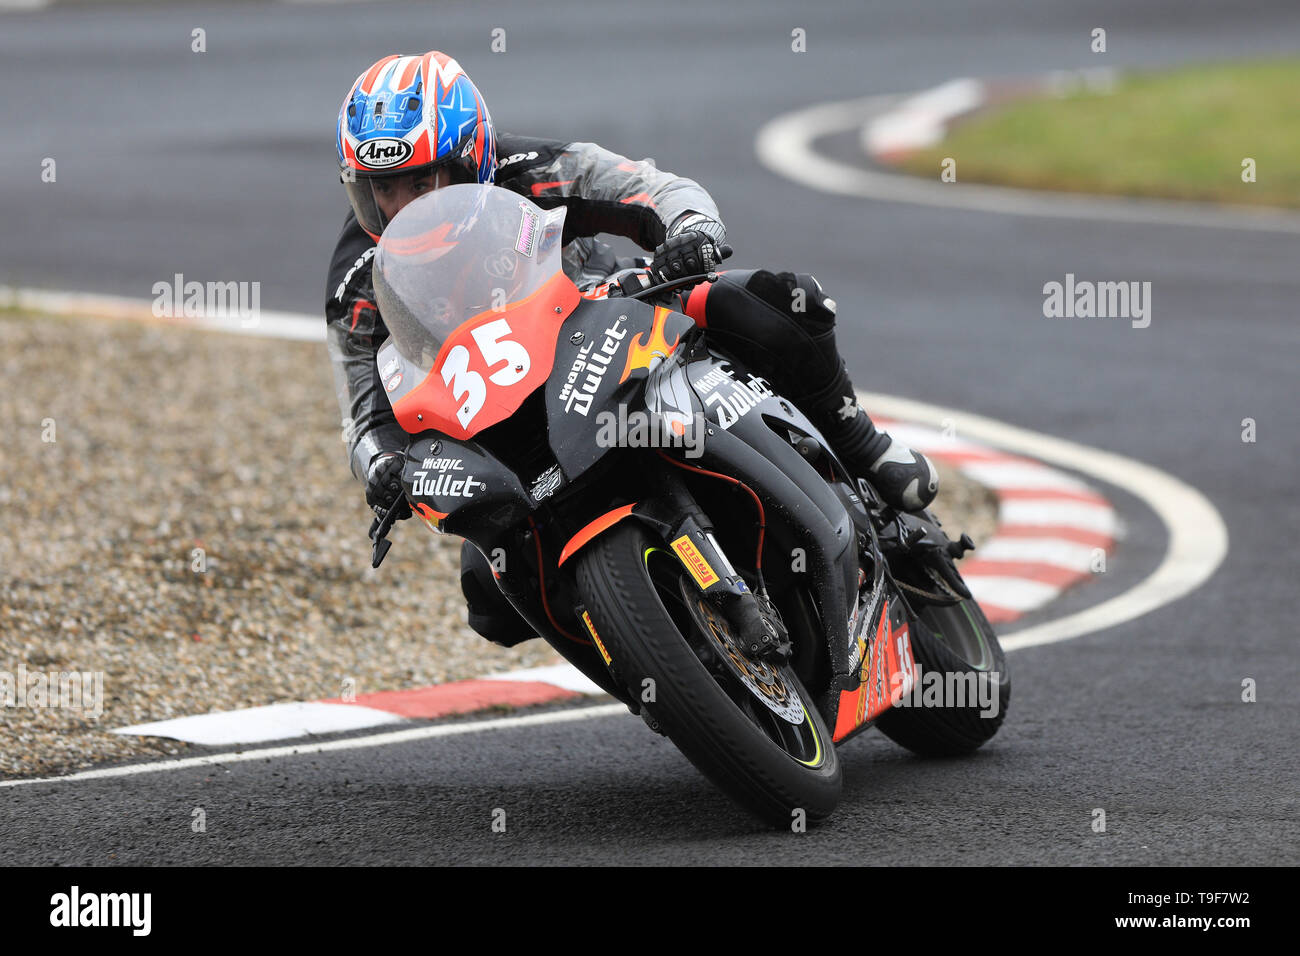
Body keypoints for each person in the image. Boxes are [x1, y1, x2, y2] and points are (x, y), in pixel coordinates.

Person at [327, 51, 939, 644]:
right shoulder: (358, 274)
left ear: (472, 161)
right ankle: (646, 661)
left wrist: (690, 231)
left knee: (774, 300)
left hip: (608, 328)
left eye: (421, 181)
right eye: (384, 189)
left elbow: (654, 188)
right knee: (489, 596)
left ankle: (867, 449)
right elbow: (362, 406)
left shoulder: (533, 168)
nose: (404, 205)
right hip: (505, 422)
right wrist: (380, 463)